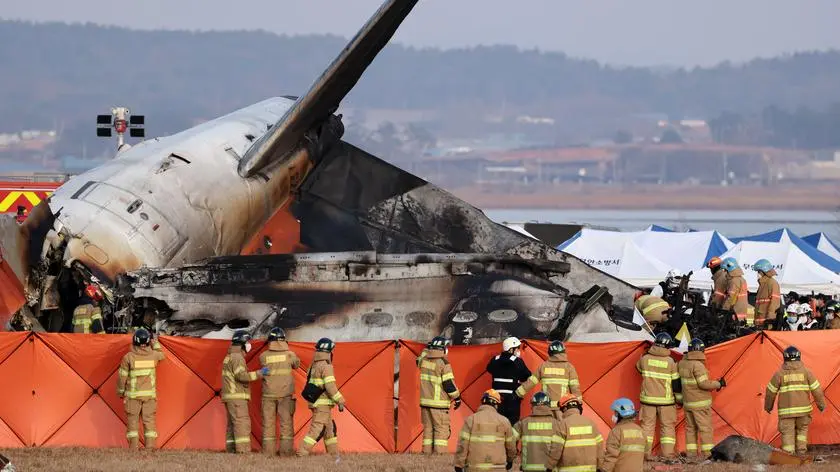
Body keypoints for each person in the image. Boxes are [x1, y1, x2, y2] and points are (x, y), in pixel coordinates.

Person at [765, 346, 826, 455]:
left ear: (785, 357)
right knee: (802, 432)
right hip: (804, 412)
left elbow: (770, 392)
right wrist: (821, 406)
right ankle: (801, 454)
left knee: (788, 434)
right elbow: (817, 391)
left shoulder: (779, 374)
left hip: (786, 412)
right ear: (799, 357)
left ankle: (789, 458)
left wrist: (768, 407)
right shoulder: (807, 372)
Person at [117, 328, 165, 449]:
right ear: (148, 341)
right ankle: (150, 448)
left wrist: (120, 392)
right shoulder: (154, 355)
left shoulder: (128, 357)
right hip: (149, 397)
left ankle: (133, 449)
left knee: (132, 423)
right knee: (149, 422)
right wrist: (156, 343)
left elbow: (122, 377)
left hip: (133, 397)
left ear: (134, 341)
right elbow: (162, 355)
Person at [636, 332, 680, 461]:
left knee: (646, 428)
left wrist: (645, 355)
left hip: (647, 400)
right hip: (666, 402)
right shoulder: (671, 362)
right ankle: (667, 455)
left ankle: (645, 455)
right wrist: (679, 399)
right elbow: (676, 383)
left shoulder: (644, 359)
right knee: (667, 428)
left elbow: (638, 369)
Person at [222, 330, 268, 453]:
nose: (249, 345)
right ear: (242, 344)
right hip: (236, 396)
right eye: (247, 342)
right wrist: (259, 373)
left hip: (230, 396)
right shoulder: (237, 358)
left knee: (233, 424)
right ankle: (243, 451)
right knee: (242, 423)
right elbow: (241, 376)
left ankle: (231, 450)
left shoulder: (230, 356)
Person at [298, 337, 345, 457]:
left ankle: (333, 454)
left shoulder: (314, 365)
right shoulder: (326, 366)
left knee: (329, 429)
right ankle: (302, 453)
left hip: (316, 402)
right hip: (322, 403)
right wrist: (340, 399)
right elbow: (330, 386)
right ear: (329, 351)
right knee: (317, 429)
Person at [678, 338, 725, 458]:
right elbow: (703, 384)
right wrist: (718, 384)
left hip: (688, 403)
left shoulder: (682, 363)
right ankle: (707, 454)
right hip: (700, 404)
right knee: (705, 429)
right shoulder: (698, 365)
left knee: (690, 429)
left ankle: (691, 454)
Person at [259, 327, 300, 456]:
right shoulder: (290, 354)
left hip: (268, 395)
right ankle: (286, 453)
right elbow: (296, 365)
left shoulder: (263, 356)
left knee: (268, 423)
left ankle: (268, 452)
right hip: (285, 395)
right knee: (286, 423)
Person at [515, 340, 580, 420]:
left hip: (546, 407)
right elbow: (575, 388)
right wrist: (578, 404)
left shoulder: (543, 366)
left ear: (550, 353)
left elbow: (531, 382)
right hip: (562, 407)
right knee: (562, 429)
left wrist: (517, 393)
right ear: (563, 352)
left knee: (548, 430)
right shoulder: (569, 367)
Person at [454, 389, 516, 472]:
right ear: (496, 404)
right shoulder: (504, 421)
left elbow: (463, 443)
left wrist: (459, 464)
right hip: (498, 469)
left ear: (482, 402)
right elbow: (511, 445)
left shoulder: (471, 419)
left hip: (474, 468)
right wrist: (510, 460)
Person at [419, 336, 461, 454]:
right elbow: (449, 385)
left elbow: (419, 358)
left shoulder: (423, 360)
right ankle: (440, 455)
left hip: (425, 403)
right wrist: (457, 397)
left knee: (428, 429)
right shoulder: (443, 363)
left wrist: (428, 349)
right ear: (443, 349)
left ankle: (426, 454)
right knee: (441, 430)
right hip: (439, 405)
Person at [547, 395, 604, 472]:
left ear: (565, 408)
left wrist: (549, 467)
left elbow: (556, 449)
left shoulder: (562, 425)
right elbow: (600, 448)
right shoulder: (591, 423)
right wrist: (600, 467)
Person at [511, 392, 564, 472]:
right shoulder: (557, 424)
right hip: (550, 469)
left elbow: (510, 440)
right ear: (548, 405)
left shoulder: (523, 423)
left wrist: (514, 456)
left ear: (532, 406)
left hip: (528, 468)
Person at [486, 336, 531, 426]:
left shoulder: (494, 360)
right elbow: (527, 376)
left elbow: (489, 369)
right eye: (517, 348)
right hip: (512, 400)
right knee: (512, 427)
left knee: (497, 426)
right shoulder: (518, 362)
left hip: (496, 400)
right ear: (511, 349)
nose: (518, 350)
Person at [601, 398, 645, 472]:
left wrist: (604, 469)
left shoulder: (617, 431)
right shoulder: (641, 431)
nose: (614, 415)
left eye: (615, 413)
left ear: (618, 414)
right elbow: (646, 453)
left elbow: (612, 456)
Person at [721, 258, 749, 326]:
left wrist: (722, 311)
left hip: (734, 315)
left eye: (725, 270)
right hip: (740, 315)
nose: (724, 272)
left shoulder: (734, 281)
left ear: (729, 269)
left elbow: (730, 298)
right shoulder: (742, 279)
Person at [754, 259, 781, 329]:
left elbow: (774, 303)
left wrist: (770, 320)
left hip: (766, 324)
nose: (757, 274)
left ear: (764, 271)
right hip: (759, 324)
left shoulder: (772, 283)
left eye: (759, 272)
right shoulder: (762, 285)